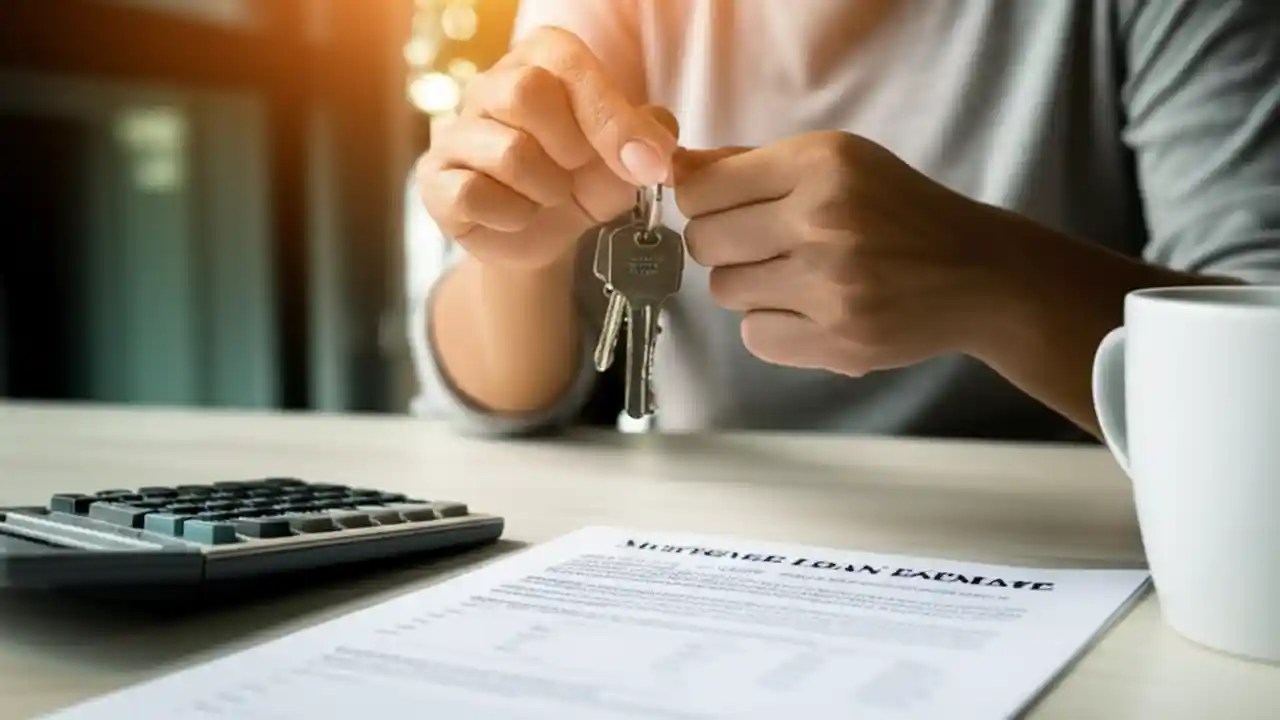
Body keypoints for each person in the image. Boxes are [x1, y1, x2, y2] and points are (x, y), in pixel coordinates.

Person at [408, 0, 1280, 440]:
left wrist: (999, 280)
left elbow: (1263, 373)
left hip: (1095, 550)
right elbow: (503, 399)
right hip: (725, 551)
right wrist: (512, 245)